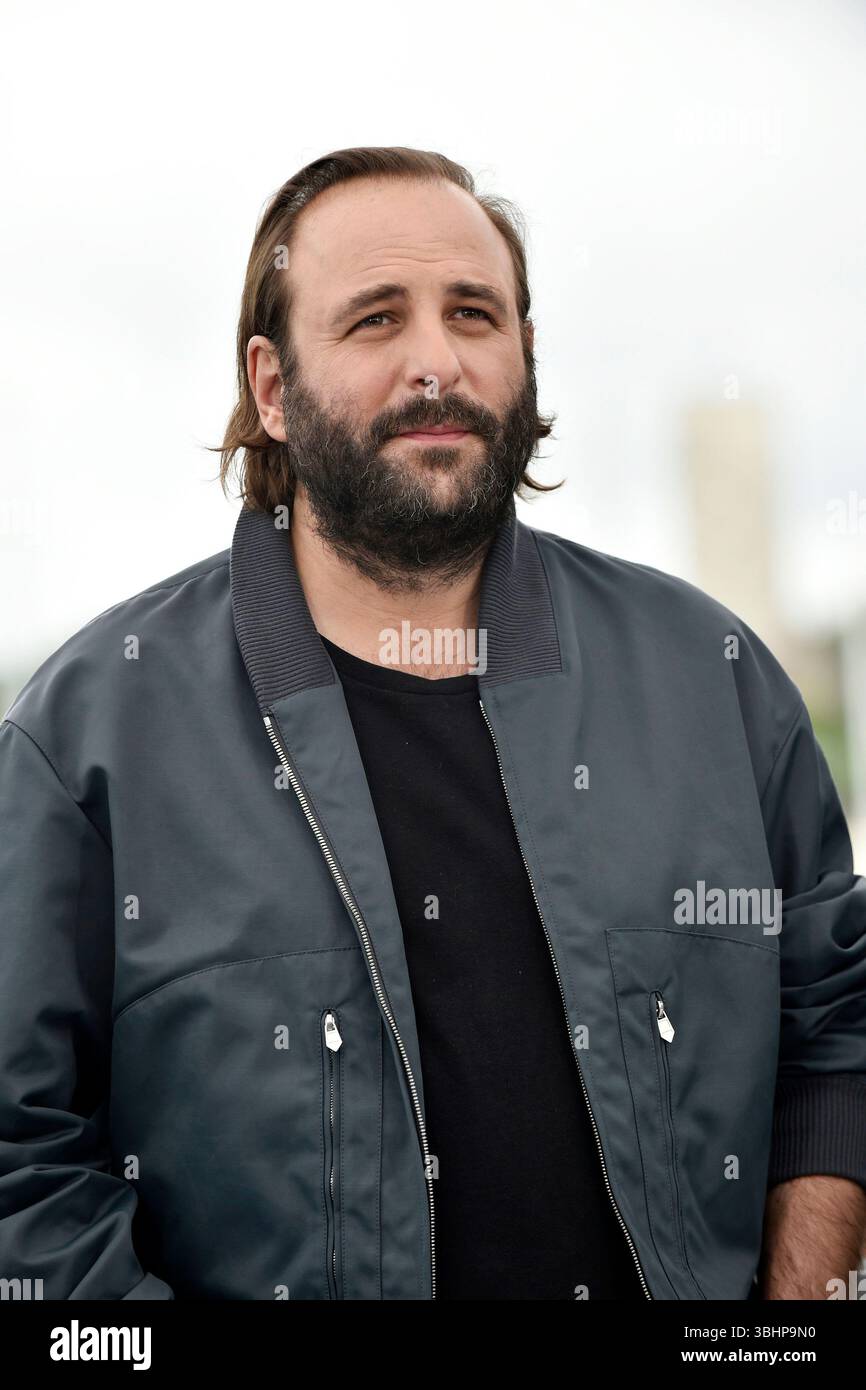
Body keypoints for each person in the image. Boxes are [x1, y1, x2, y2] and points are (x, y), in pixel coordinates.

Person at [1, 146, 864, 1301]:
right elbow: (22, 1159)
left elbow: (832, 1028)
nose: (435, 363)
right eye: (372, 321)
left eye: (474, 314)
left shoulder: (711, 683)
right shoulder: (90, 735)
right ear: (270, 387)